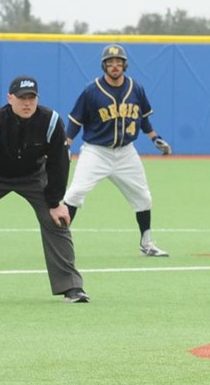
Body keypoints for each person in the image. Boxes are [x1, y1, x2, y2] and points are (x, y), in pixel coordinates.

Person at [0, 76, 88, 304]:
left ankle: (72, 287)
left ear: (37, 99)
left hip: (33, 176)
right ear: (9, 98)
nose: (27, 103)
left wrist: (55, 203)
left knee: (57, 221)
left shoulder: (51, 121)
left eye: (31, 98)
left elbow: (59, 164)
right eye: (22, 98)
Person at [64, 44, 173, 257]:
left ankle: (147, 243)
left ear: (125, 65)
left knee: (143, 198)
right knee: (75, 193)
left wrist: (155, 138)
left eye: (118, 62)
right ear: (104, 66)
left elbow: (143, 119)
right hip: (96, 152)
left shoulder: (136, 88)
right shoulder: (91, 91)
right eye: (110, 62)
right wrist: (67, 142)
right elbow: (76, 120)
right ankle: (59, 242)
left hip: (126, 153)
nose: (115, 66)